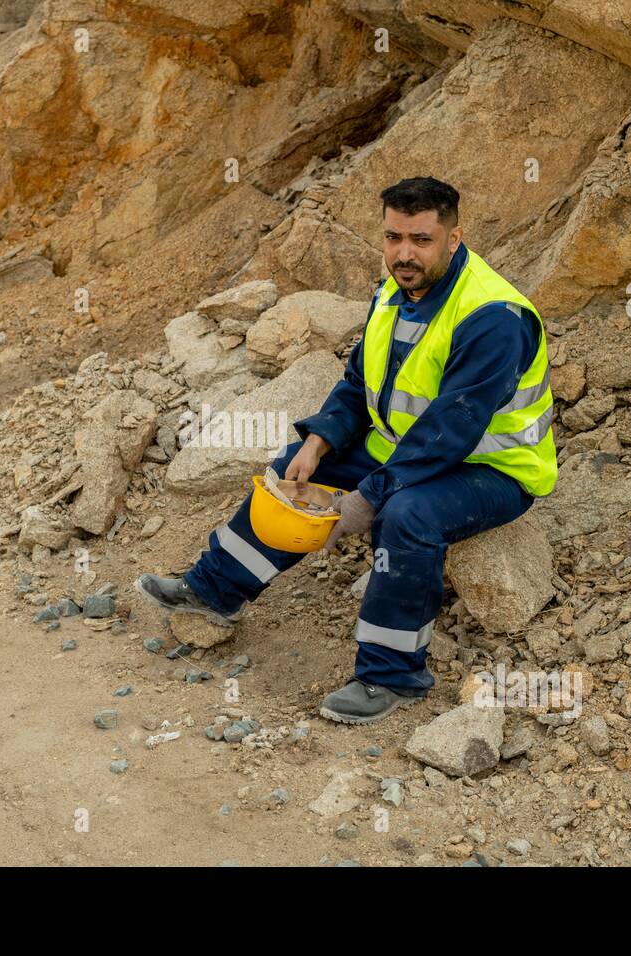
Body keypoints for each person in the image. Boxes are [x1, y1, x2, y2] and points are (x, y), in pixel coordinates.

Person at [136, 176, 557, 724]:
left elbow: (451, 430)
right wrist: (320, 440)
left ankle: (392, 676)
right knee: (292, 471)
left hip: (491, 468)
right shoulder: (395, 292)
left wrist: (369, 496)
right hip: (406, 450)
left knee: (406, 516)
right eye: (393, 237)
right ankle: (214, 592)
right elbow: (359, 383)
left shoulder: (493, 317)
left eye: (421, 239)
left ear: (454, 239)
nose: (404, 254)